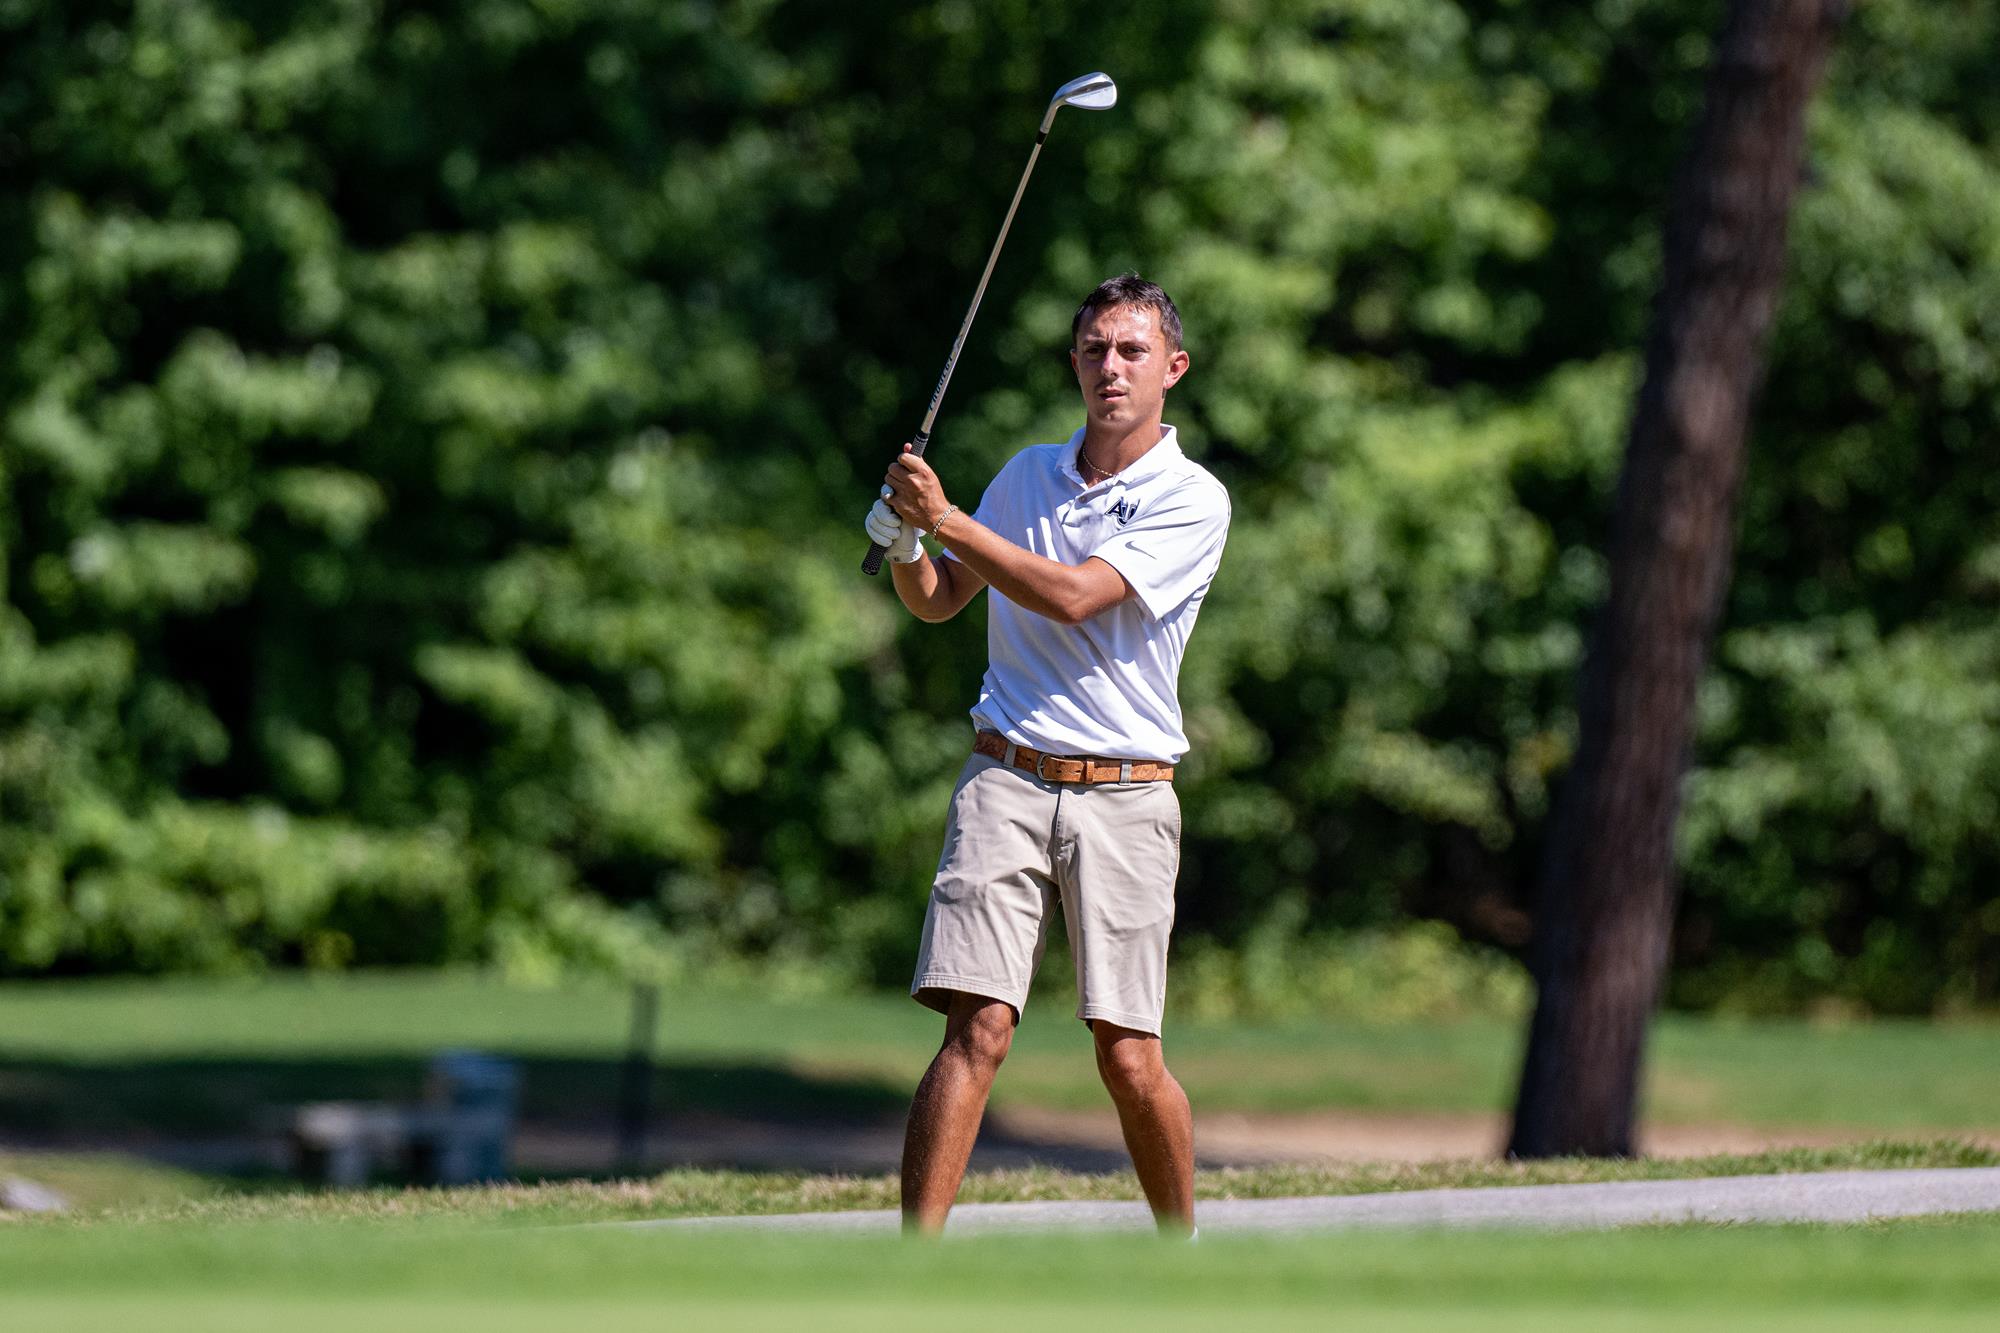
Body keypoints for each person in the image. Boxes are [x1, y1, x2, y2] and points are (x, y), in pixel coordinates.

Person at [864, 274, 1231, 1235]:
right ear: (1074, 363)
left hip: (1126, 791)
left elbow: (1072, 595)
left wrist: (943, 519)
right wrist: (907, 542)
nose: (1111, 367)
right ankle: (912, 1273)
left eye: (1132, 351)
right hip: (1005, 772)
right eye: (1095, 350)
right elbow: (943, 599)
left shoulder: (1193, 499)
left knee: (1127, 1054)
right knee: (974, 1028)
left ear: (1173, 369)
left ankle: (1182, 1256)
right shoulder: (1025, 474)